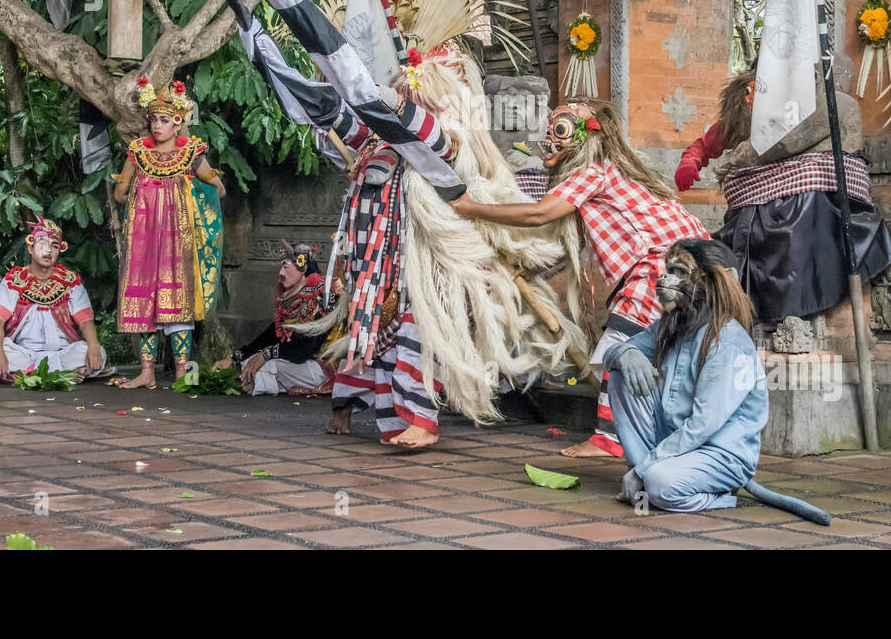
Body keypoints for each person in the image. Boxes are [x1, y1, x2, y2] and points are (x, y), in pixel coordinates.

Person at [320, 47, 586, 450]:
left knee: (421, 334)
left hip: (446, 269)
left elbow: (435, 139)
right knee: (377, 338)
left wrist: (386, 99)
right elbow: (350, 137)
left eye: (423, 96)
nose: (418, 101)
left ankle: (422, 422)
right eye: (412, 95)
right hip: (392, 266)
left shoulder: (458, 142)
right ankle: (382, 418)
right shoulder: (386, 145)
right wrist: (326, 103)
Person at [449, 99, 710, 458]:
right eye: (550, 127)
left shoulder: (592, 172)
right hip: (690, 259)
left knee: (621, 344)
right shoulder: (606, 175)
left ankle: (610, 439)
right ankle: (659, 429)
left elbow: (538, 215)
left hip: (663, 261)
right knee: (658, 350)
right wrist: (533, 270)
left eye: (561, 129)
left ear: (586, 137)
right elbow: (571, 243)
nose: (550, 137)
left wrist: (469, 207)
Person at [710, 56, 891, 322]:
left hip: (822, 193)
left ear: (825, 77)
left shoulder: (836, 101)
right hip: (819, 187)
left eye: (816, 76)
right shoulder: (833, 103)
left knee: (776, 222)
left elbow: (789, 143)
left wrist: (747, 153)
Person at [605, 237, 765, 512]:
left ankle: (718, 496)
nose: (664, 279)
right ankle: (645, 477)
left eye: (678, 272)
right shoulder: (671, 326)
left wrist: (645, 470)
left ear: (711, 282)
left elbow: (704, 425)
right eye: (668, 269)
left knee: (660, 484)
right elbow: (611, 354)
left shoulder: (726, 342)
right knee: (622, 373)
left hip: (719, 454)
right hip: (677, 445)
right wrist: (625, 354)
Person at [113, 77, 226, 389]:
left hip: (180, 242)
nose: (157, 126)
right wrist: (141, 191)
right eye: (153, 120)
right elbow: (120, 194)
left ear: (178, 124)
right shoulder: (137, 154)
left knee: (180, 305)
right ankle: (146, 373)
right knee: (144, 302)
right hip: (144, 240)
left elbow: (218, 188)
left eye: (164, 120)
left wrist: (188, 190)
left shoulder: (192, 155)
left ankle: (182, 372)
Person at [0, 217, 107, 382]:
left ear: (59, 250)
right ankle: (61, 374)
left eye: (54, 246)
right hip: (24, 353)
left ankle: (32, 374)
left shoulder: (71, 281)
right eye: (42, 243)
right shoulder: (14, 280)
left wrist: (93, 346)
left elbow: (85, 321)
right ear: (30, 248)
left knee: (98, 352)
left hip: (63, 354)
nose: (48, 250)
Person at [212, 243, 343, 396]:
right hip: (301, 365)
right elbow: (270, 336)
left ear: (303, 269)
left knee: (267, 365)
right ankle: (260, 384)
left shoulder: (322, 295)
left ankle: (259, 385)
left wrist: (266, 354)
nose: (280, 273)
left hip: (323, 367)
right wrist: (232, 358)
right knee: (249, 362)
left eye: (285, 267)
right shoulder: (293, 297)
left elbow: (307, 348)